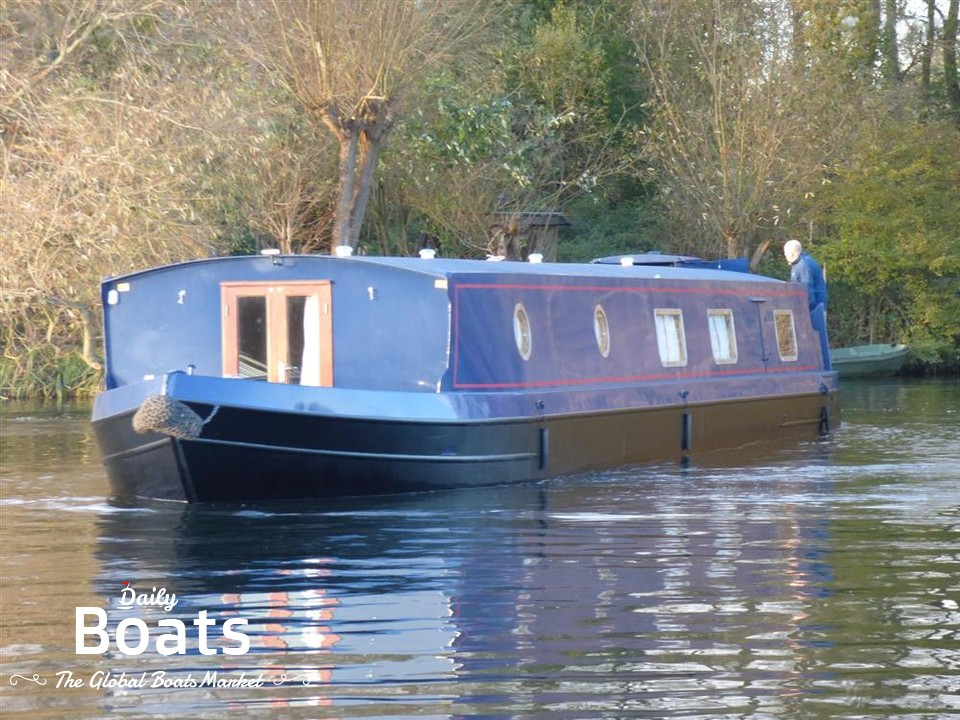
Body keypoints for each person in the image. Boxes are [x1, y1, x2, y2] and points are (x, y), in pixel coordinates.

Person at [783, 239, 827, 312]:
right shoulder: (799, 263)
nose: (784, 254)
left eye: (785, 252)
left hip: (814, 311)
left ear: (791, 253)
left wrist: (801, 311)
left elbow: (807, 291)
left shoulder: (804, 265)